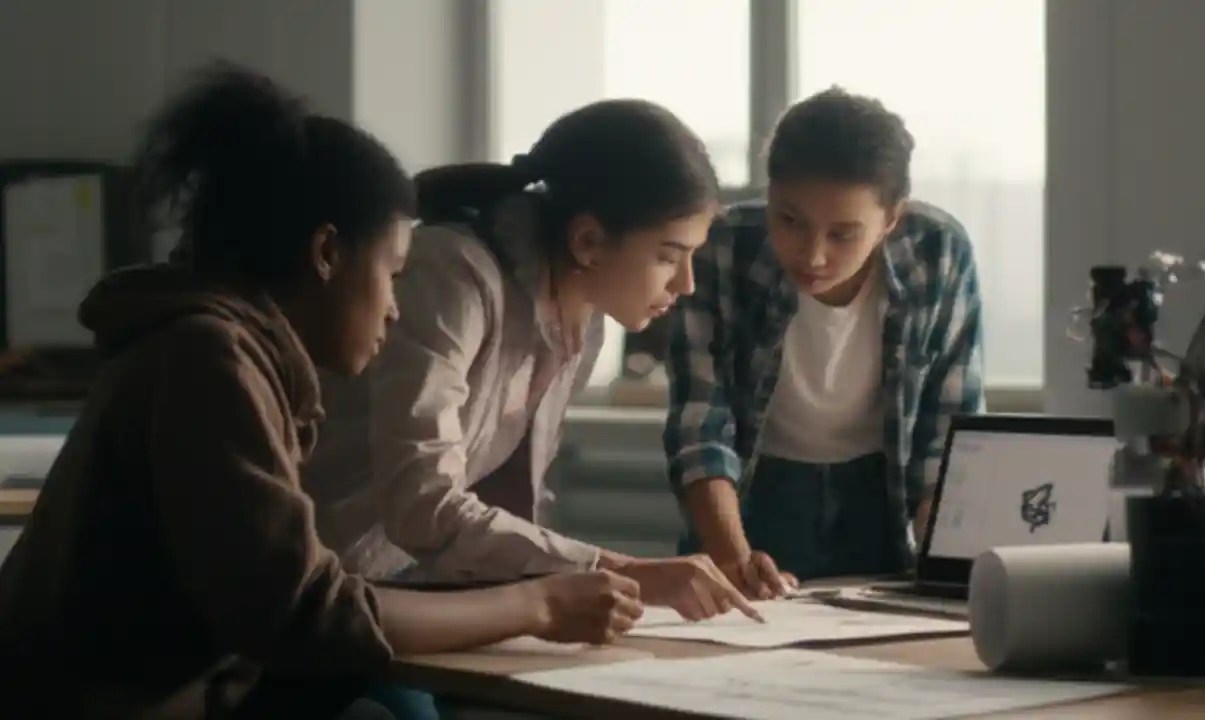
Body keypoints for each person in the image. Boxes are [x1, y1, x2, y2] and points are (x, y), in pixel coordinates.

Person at [0, 63, 642, 719]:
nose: (395, 308)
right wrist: (537, 603)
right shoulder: (206, 358)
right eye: (392, 274)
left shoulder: (231, 353)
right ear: (328, 254)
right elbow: (305, 614)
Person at [303, 99, 758, 623]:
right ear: (588, 241)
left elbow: (513, 506)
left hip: (428, 585)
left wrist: (574, 591)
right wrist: (623, 569)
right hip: (327, 585)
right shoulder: (453, 277)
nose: (686, 284)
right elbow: (420, 504)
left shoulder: (584, 320)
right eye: (668, 256)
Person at [665, 88, 985, 598]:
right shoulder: (721, 248)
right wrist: (733, 556)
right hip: (752, 494)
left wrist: (948, 570)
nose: (812, 255)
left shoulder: (939, 250)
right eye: (790, 221)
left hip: (880, 493)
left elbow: (946, 433)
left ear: (892, 219)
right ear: (769, 193)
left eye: (843, 234)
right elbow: (700, 422)